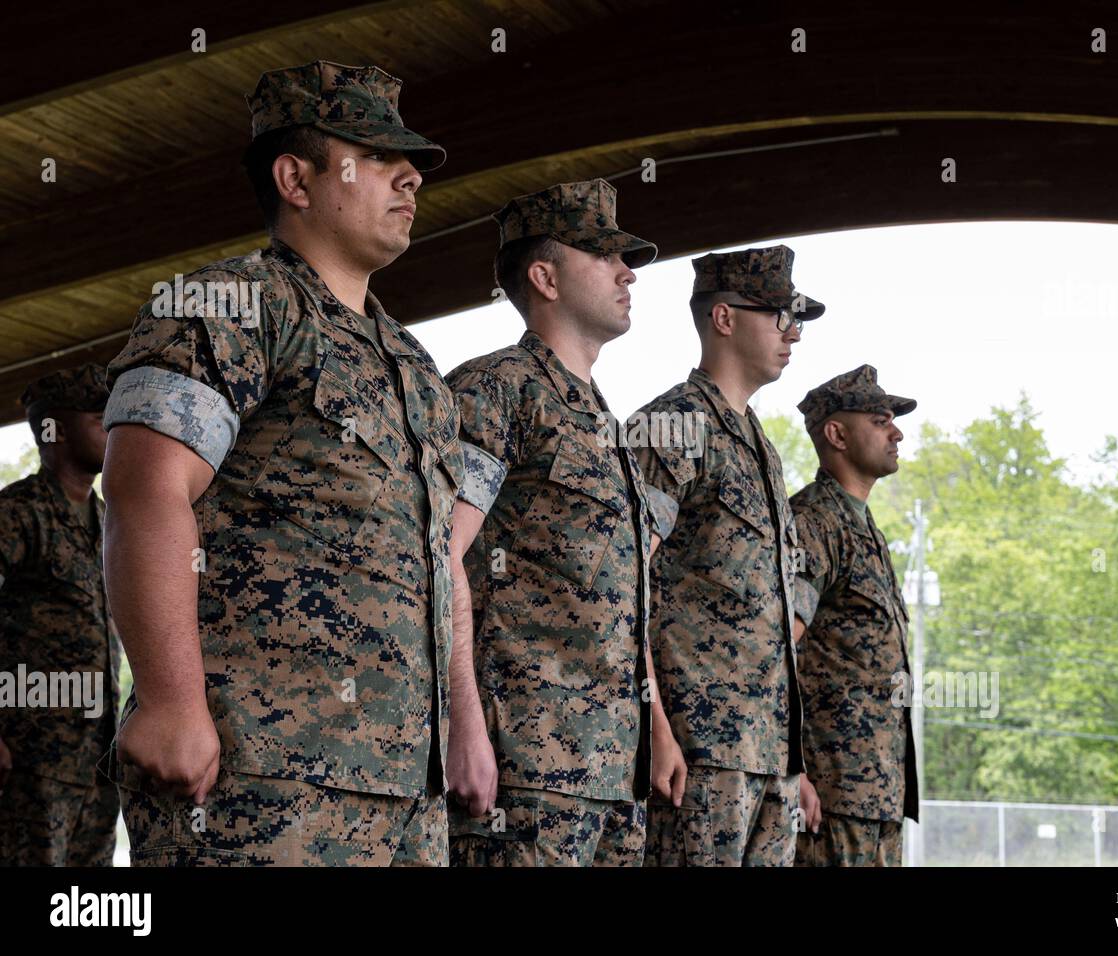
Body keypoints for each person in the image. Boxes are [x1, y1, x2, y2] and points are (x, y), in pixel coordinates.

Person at [99, 60, 460, 865]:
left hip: (406, 791)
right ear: (295, 178)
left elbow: (444, 562)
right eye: (374, 156)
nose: (410, 177)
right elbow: (145, 488)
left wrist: (461, 736)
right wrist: (167, 700)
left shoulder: (414, 364)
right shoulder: (230, 306)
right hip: (264, 778)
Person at [444, 179, 675, 865]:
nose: (627, 271)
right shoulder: (497, 390)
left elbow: (620, 599)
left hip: (613, 774)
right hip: (526, 770)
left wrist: (655, 725)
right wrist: (463, 725)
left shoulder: (604, 421)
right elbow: (440, 555)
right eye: (603, 254)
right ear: (543, 275)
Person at [633, 245, 822, 866]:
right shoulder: (673, 426)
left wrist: (795, 762)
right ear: (724, 318)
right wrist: (655, 727)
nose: (793, 333)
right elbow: (621, 580)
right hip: (699, 748)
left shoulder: (761, 445)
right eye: (779, 315)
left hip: (767, 755)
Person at [789, 364, 919, 867]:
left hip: (879, 795)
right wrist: (791, 766)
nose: (897, 431)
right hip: (832, 797)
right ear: (837, 434)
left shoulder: (865, 528)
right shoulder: (814, 522)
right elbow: (779, 647)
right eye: (880, 420)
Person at [0, 364, 121, 865]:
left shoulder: (108, 520)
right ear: (56, 429)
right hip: (29, 760)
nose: (112, 429)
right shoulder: (20, 512)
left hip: (96, 759)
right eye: (98, 418)